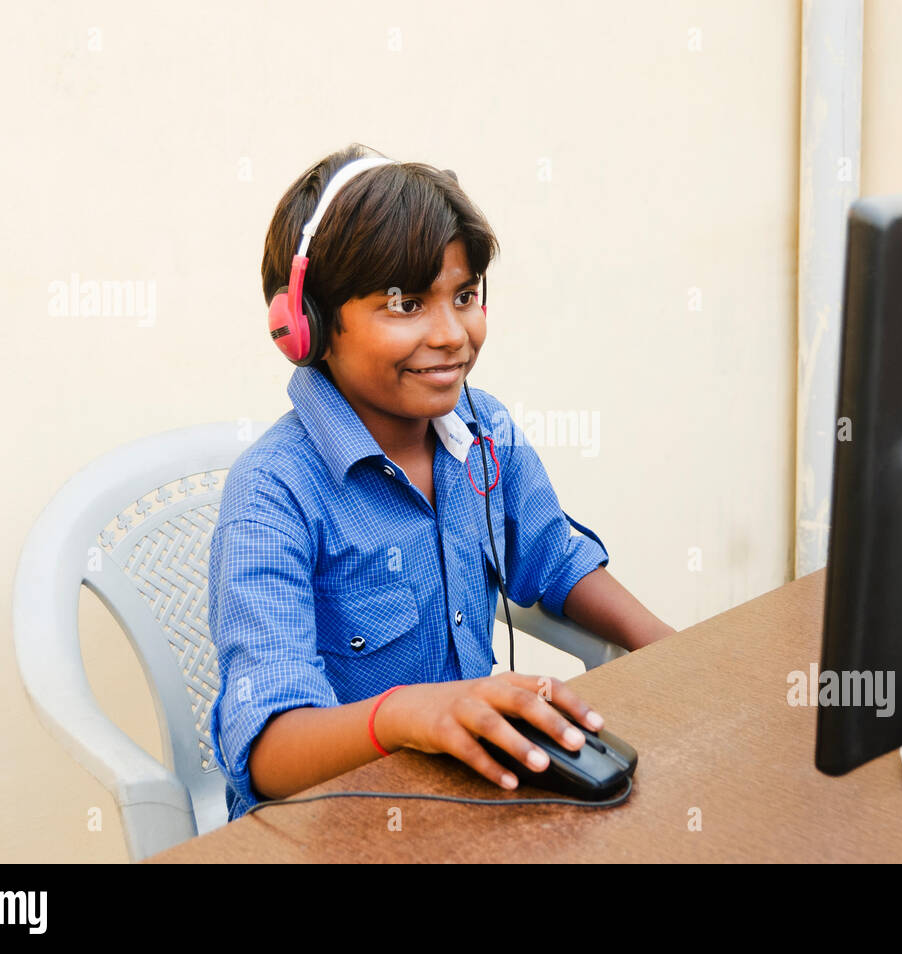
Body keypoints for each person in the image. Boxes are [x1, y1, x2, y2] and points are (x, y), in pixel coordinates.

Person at [209, 142, 677, 821]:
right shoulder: (271, 494)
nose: (453, 334)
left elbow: (554, 558)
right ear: (305, 328)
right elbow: (270, 753)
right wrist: (407, 715)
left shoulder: (484, 430)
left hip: (467, 800)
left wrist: (672, 647)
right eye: (407, 305)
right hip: (330, 827)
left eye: (464, 296)